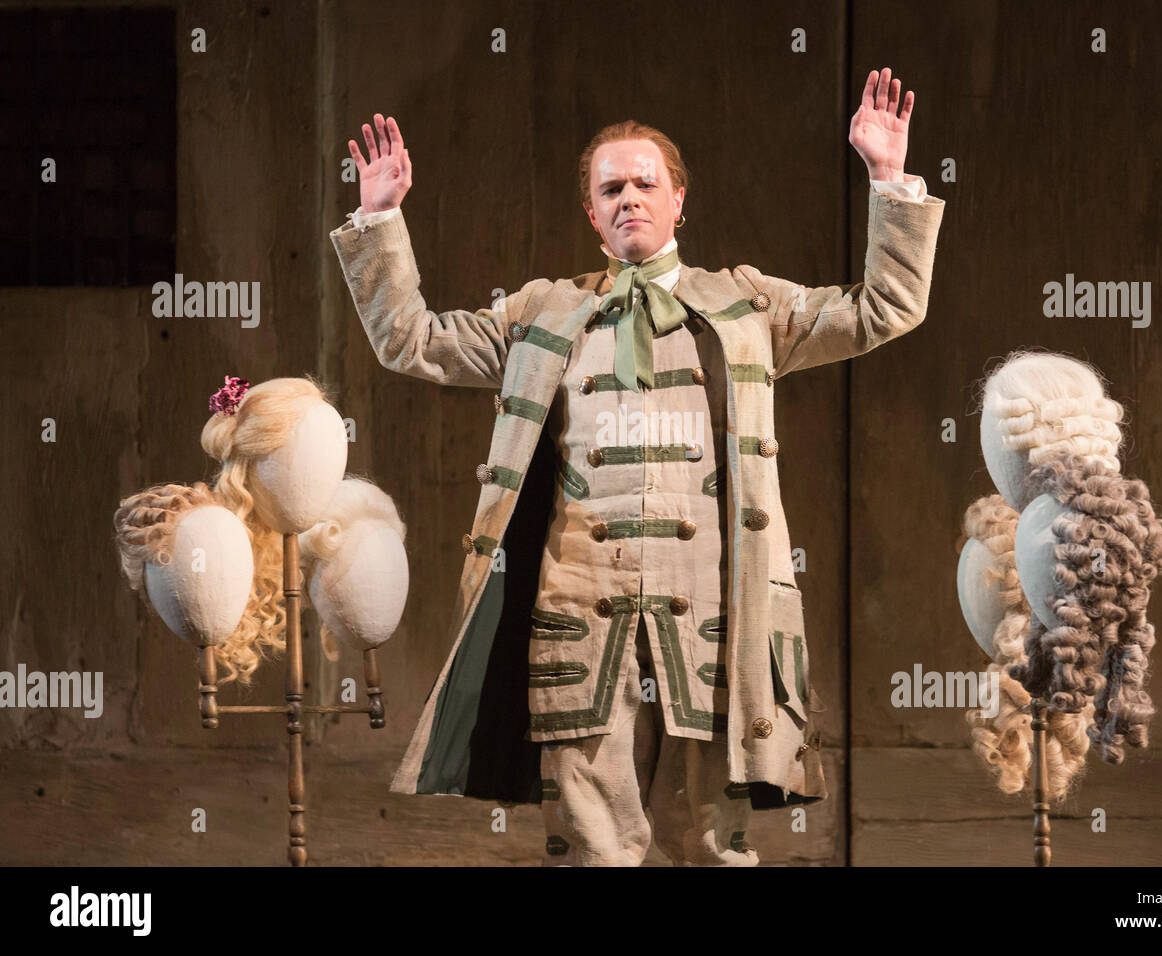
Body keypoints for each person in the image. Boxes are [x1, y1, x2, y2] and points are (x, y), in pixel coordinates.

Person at [330, 68, 945, 865]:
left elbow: (881, 308)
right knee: (592, 849)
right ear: (591, 212)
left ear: (678, 200)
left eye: (645, 183)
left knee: (712, 848)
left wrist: (889, 182)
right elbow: (409, 339)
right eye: (611, 187)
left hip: (713, 626)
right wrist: (380, 218)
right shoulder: (540, 314)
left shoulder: (746, 308)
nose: (629, 197)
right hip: (577, 626)